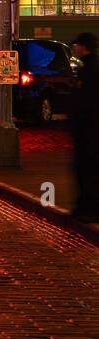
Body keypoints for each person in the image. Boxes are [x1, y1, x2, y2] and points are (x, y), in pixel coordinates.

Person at [69, 33, 99, 222]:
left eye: (77, 46)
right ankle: (85, 206)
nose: (74, 49)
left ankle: (89, 208)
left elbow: (85, 99)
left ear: (83, 47)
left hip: (88, 128)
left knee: (87, 168)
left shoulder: (89, 69)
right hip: (88, 127)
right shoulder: (88, 67)